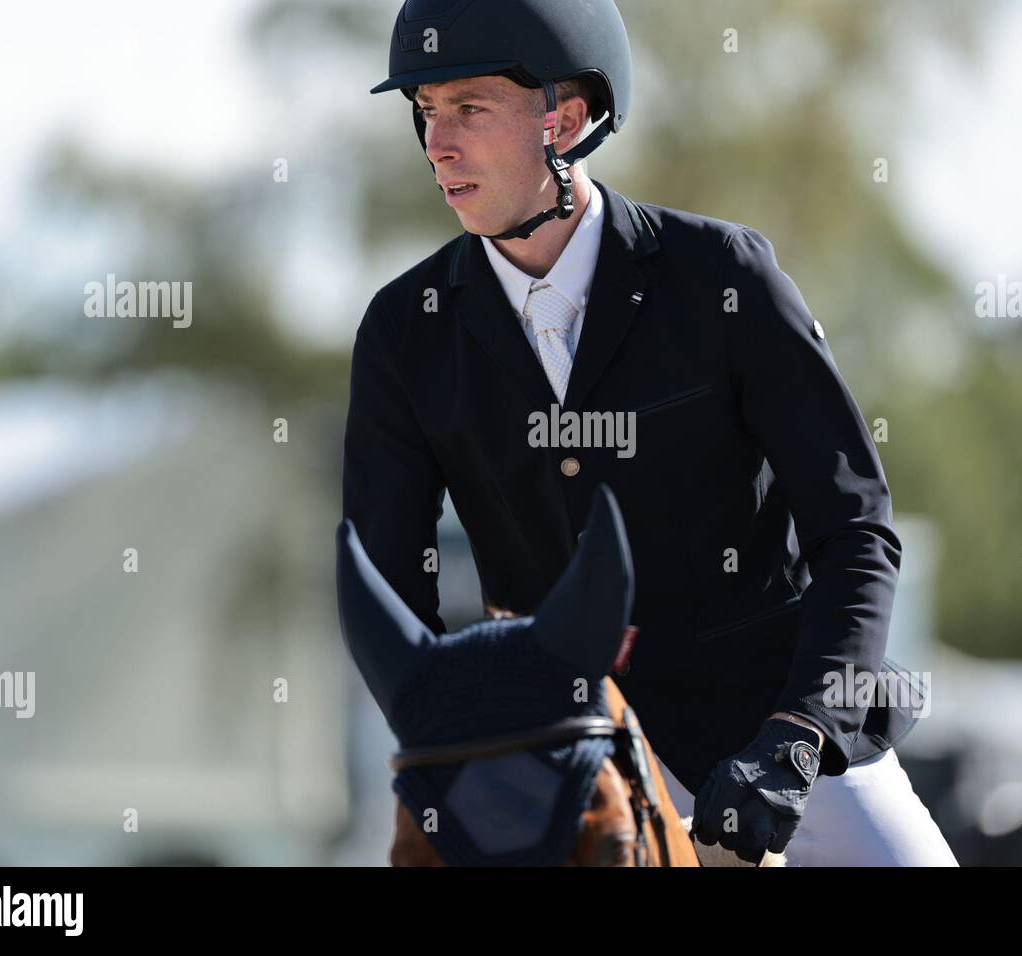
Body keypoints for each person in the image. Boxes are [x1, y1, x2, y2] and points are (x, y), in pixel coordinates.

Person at [343, 0, 957, 866]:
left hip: (779, 740)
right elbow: (385, 582)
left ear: (565, 116)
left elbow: (854, 532)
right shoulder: (406, 328)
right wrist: (469, 731)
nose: (438, 143)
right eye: (426, 111)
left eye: (469, 109)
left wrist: (801, 732)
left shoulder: (723, 279)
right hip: (567, 755)